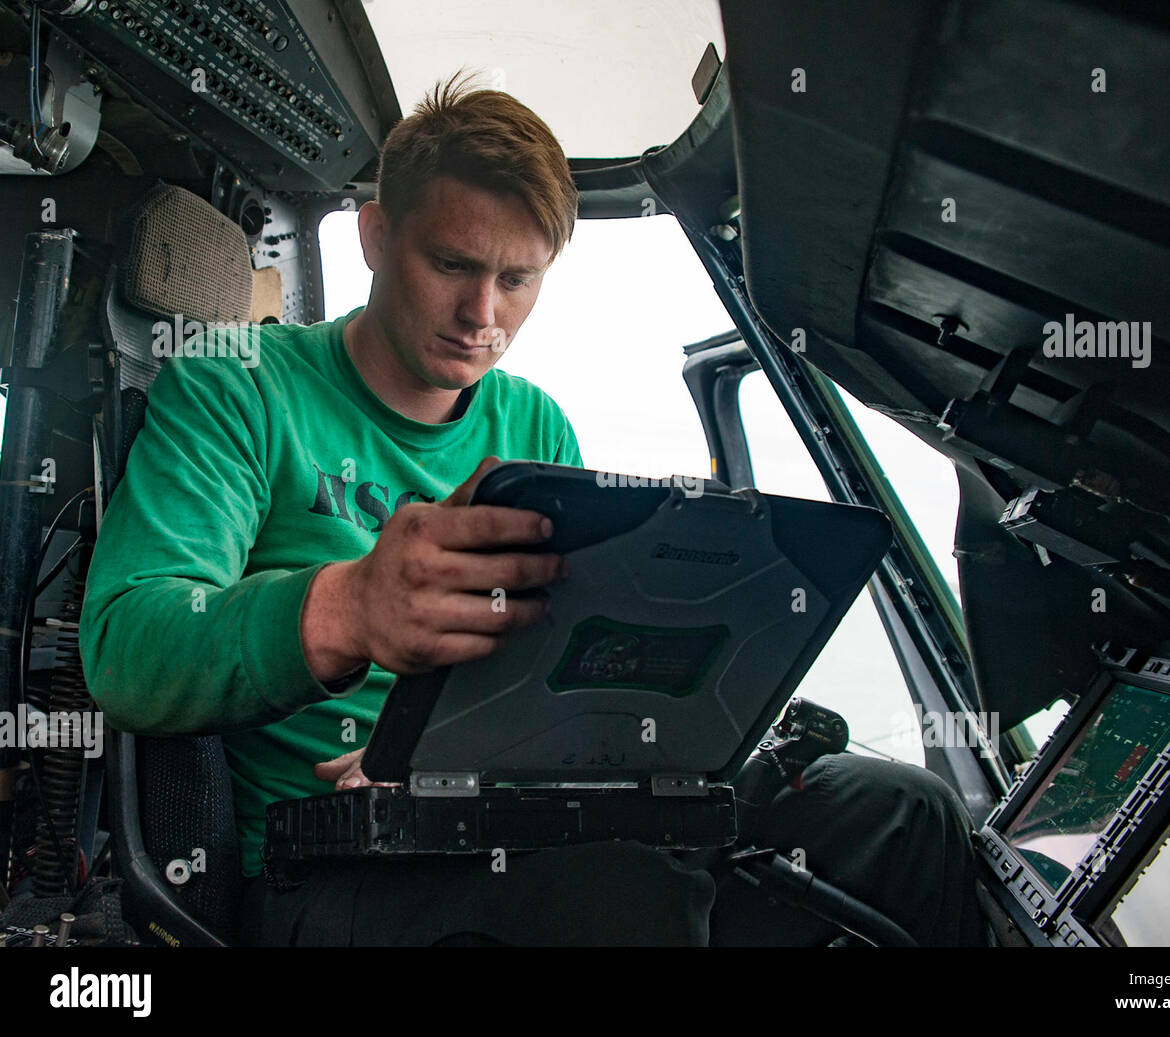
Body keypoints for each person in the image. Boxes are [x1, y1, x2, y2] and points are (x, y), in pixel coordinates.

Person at [81, 73, 986, 946]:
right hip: (331, 869)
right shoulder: (238, 388)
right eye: (451, 264)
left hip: (523, 812)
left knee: (903, 813)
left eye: (519, 280)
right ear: (373, 234)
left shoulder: (532, 424)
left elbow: (564, 662)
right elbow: (127, 646)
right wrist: (351, 607)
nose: (483, 312)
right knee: (617, 889)